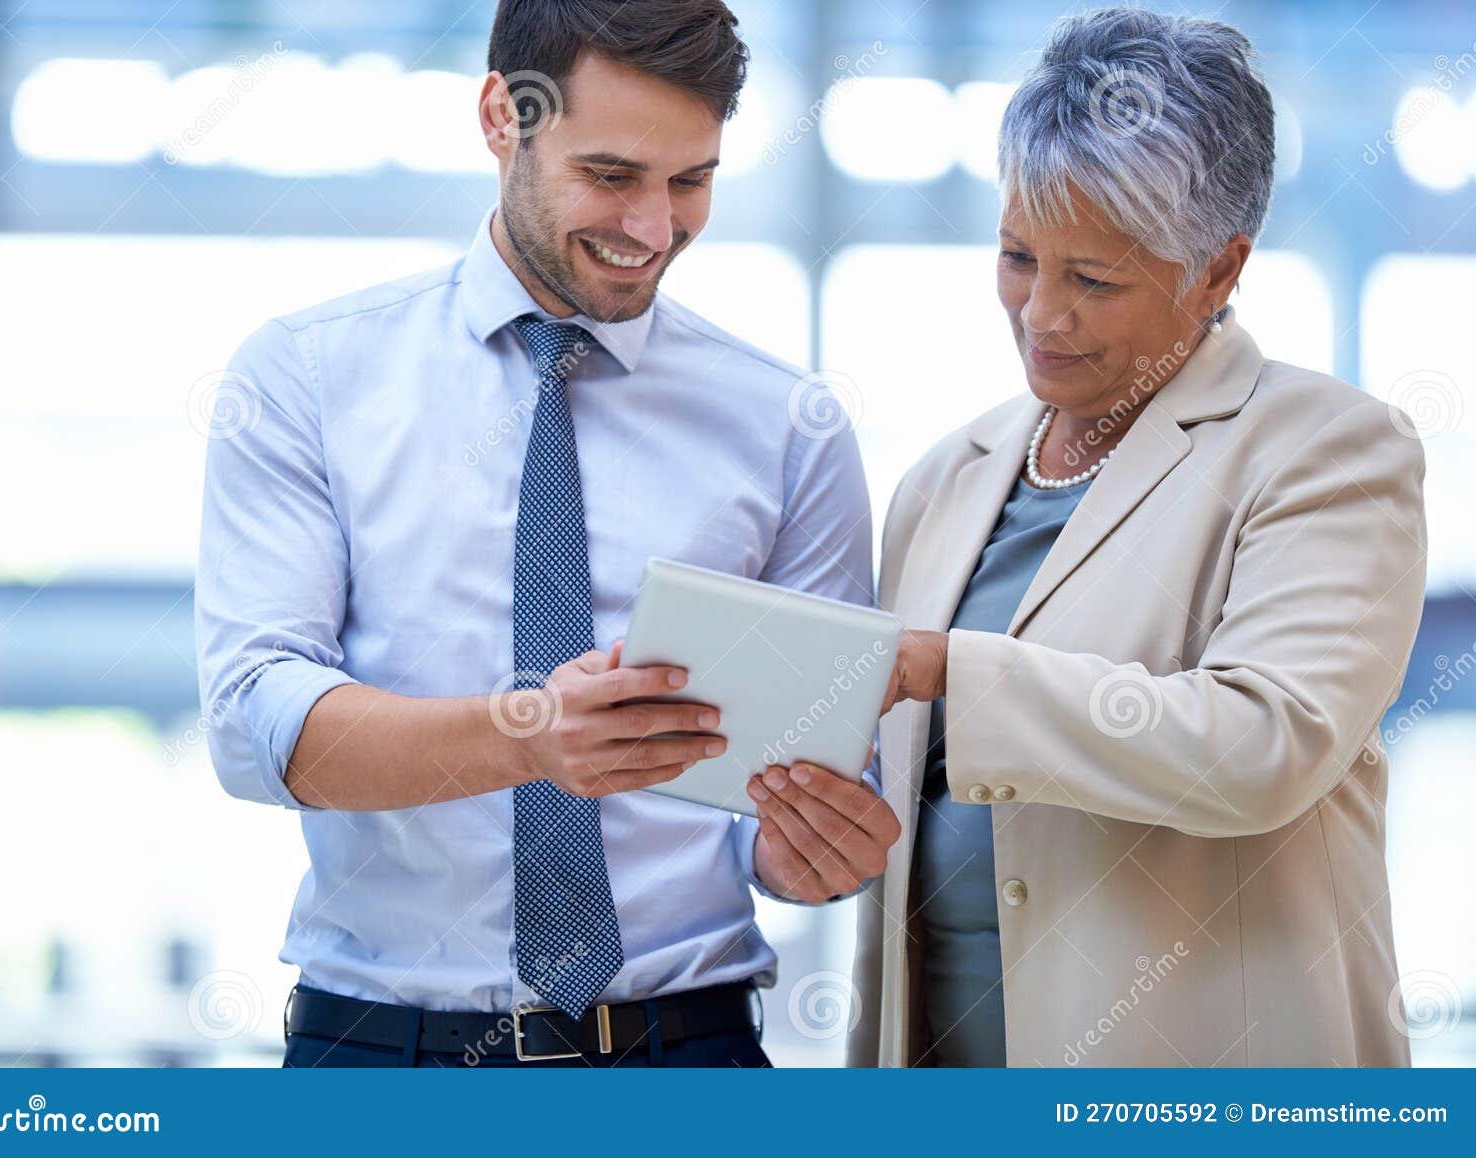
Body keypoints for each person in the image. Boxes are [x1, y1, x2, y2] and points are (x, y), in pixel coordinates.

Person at [195, 0, 899, 1068]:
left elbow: (803, 788)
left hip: (688, 1054)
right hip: (382, 1055)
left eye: (691, 181)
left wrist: (814, 853)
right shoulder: (308, 379)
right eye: (611, 176)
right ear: (500, 117)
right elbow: (258, 725)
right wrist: (527, 736)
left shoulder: (788, 426)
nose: (653, 229)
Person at [832, 7, 1426, 1066]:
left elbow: (1263, 745)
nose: (1040, 314)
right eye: (1018, 256)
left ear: (1218, 269)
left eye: (1093, 280)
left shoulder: (1326, 453)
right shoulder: (942, 481)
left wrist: (949, 669)